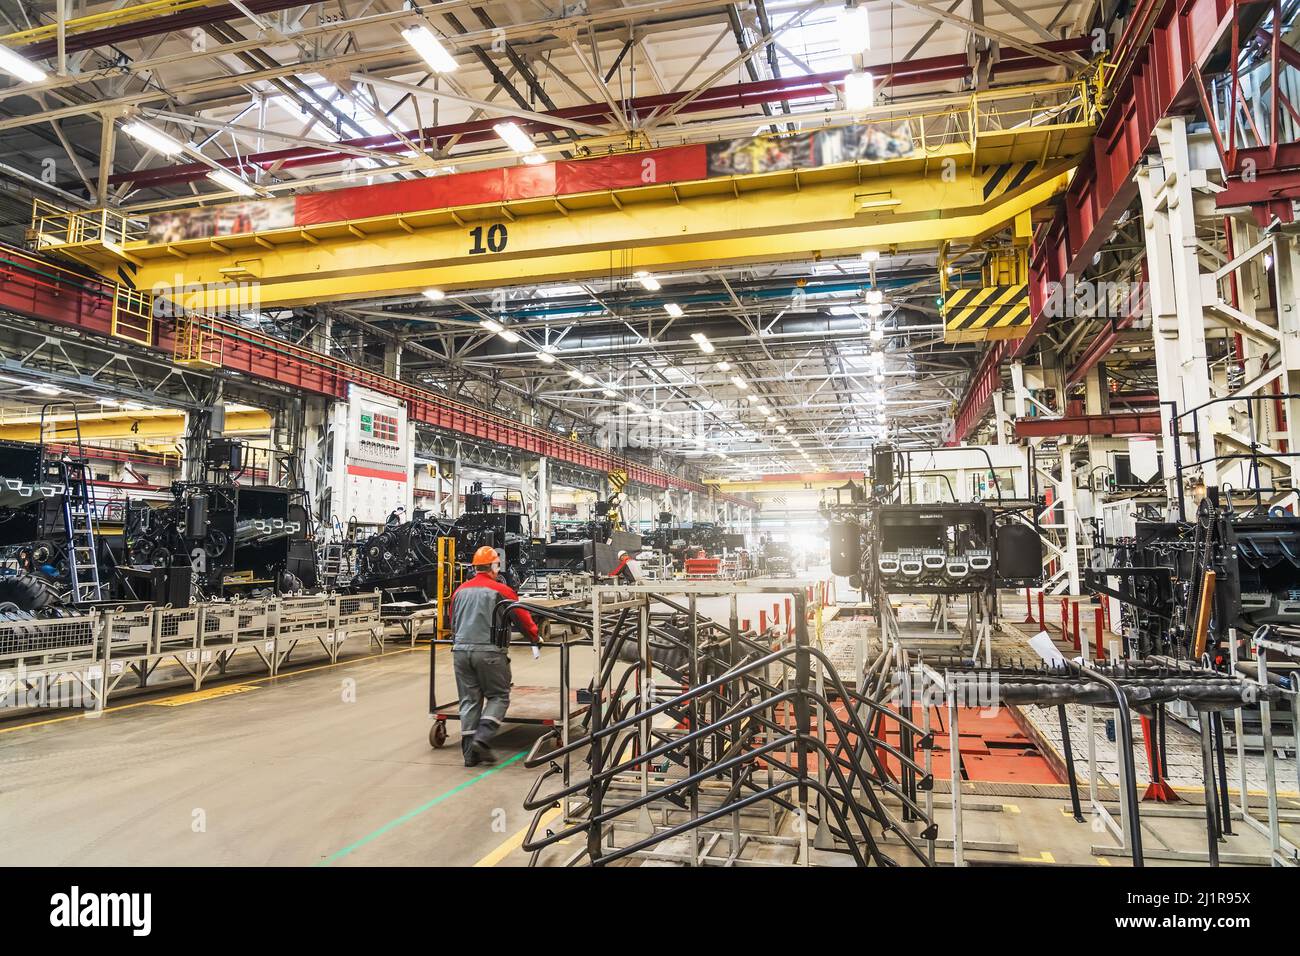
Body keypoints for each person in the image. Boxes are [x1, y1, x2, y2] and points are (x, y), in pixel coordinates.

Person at [448, 545, 540, 767]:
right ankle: (483, 739)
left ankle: (470, 754)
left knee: (469, 701)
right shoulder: (502, 591)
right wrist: (534, 639)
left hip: (460, 652)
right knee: (499, 695)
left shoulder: (459, 591)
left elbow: (452, 620)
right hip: (489, 653)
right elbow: (521, 617)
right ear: (493, 567)